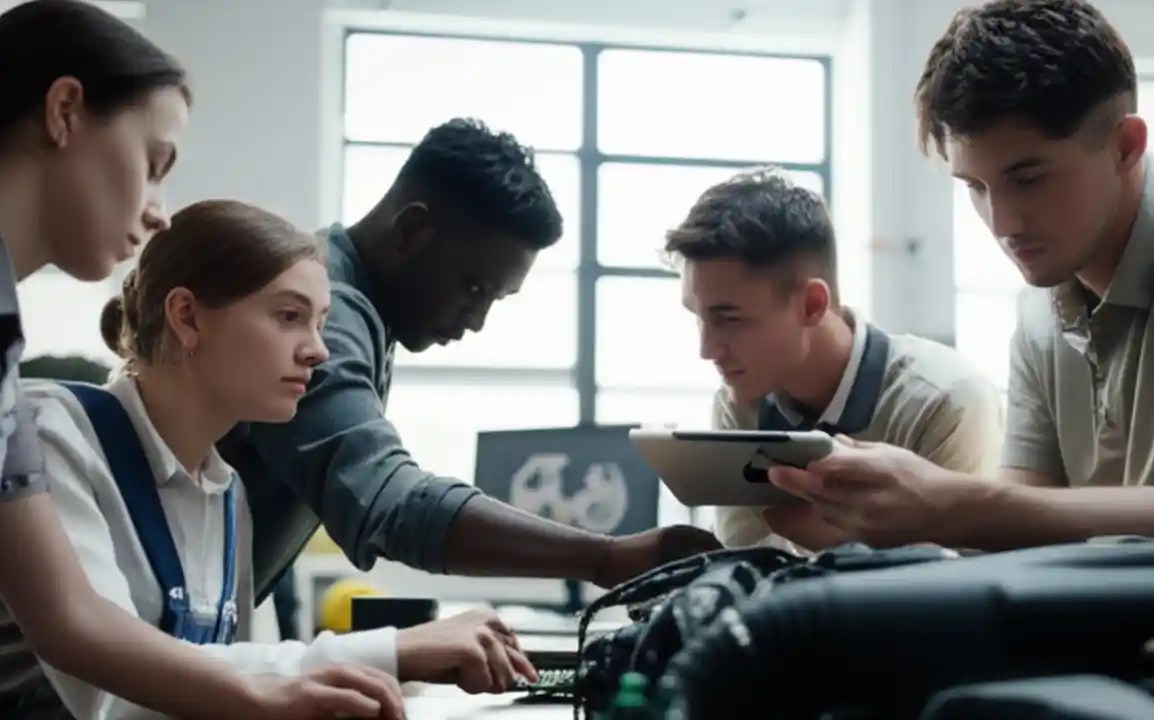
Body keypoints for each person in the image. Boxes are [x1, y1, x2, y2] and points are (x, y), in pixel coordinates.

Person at [0, 1, 402, 718]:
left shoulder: (229, 495)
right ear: (65, 110)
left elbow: (74, 624)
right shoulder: (55, 424)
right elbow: (86, 649)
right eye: (154, 165)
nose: (159, 210)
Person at [764, 0, 1154, 553]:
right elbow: (1019, 533)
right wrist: (862, 525)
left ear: (1125, 146)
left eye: (1028, 179)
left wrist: (946, 503)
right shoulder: (1041, 309)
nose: (1003, 224)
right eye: (976, 188)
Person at [13, 199, 538, 719]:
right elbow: (110, 695)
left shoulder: (226, 496)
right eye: (289, 316)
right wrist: (397, 651)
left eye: (319, 323)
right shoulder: (53, 433)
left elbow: (232, 671)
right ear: (188, 317)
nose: (318, 350)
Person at [217, 118, 722, 605]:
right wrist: (607, 557)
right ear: (412, 228)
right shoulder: (330, 308)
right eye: (473, 287)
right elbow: (389, 502)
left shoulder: (351, 301)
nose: (477, 320)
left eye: (494, 298)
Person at [665, 168, 1002, 553]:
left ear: (812, 305)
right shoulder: (738, 403)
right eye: (698, 317)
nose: (707, 350)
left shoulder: (947, 402)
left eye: (729, 319)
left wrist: (839, 542)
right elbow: (745, 572)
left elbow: (956, 588)